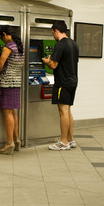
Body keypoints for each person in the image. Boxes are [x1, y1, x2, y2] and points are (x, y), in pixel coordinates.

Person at [42, 20, 79, 151]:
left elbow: (53, 65)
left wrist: (47, 61)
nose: (53, 35)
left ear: (56, 30)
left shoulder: (60, 45)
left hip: (62, 83)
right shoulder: (74, 44)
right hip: (73, 81)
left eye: (53, 33)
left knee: (63, 111)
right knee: (68, 110)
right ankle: (71, 139)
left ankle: (63, 142)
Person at [0, 25, 24, 155]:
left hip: (7, 81)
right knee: (12, 112)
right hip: (17, 81)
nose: (2, 40)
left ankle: (9, 143)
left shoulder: (8, 46)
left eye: (2, 37)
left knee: (7, 112)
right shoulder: (19, 46)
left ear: (5, 34)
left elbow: (1, 63)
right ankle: (16, 139)